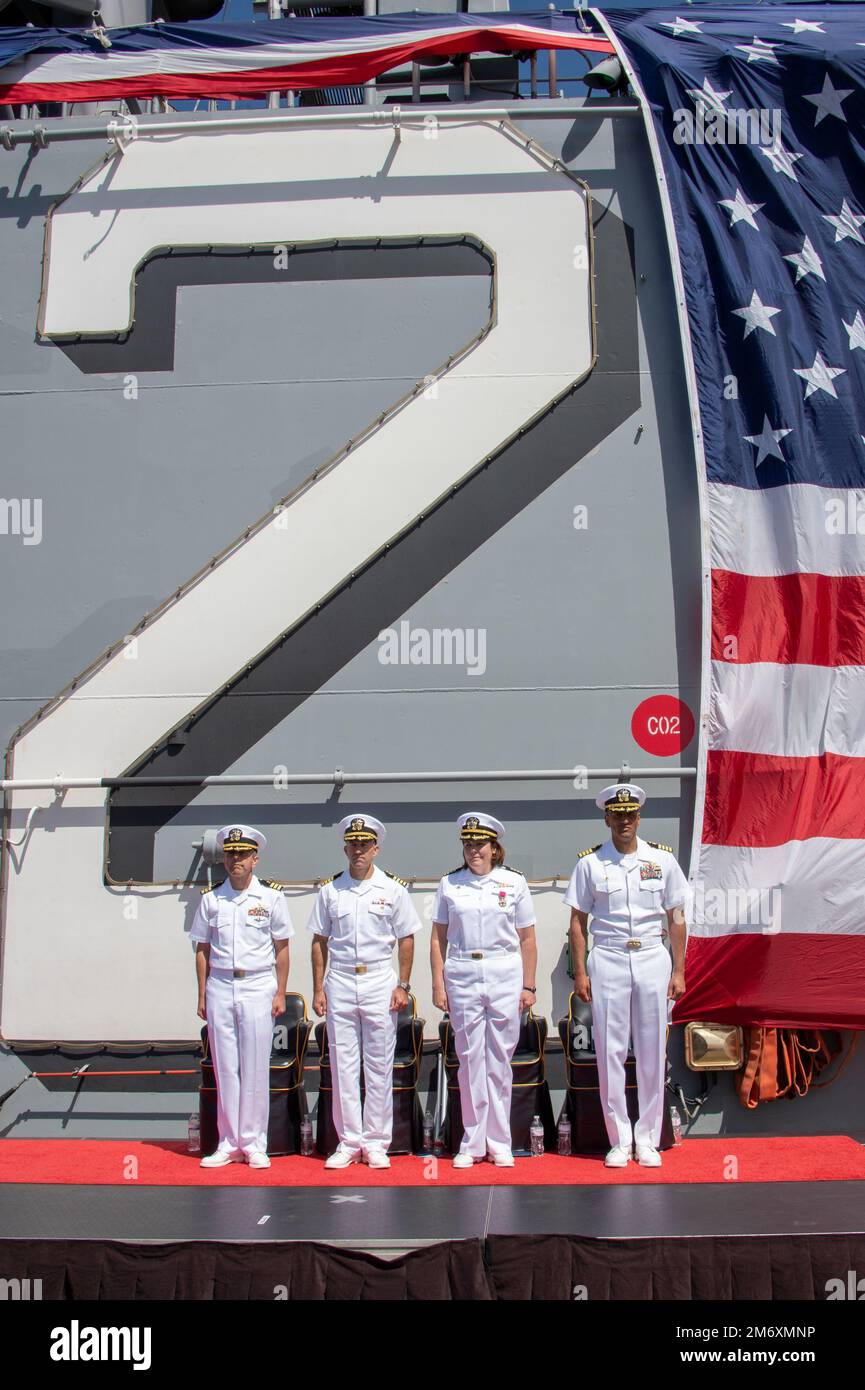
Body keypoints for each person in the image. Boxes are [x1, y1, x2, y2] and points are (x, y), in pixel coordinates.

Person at [564, 784, 688, 1168]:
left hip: (653, 956)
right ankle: (619, 1139)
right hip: (610, 958)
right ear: (606, 818)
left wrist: (680, 969)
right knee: (610, 1050)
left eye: (630, 814)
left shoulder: (662, 861)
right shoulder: (590, 864)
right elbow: (577, 923)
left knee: (653, 1051)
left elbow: (677, 918)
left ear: (639, 817)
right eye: (617, 815)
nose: (624, 821)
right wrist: (580, 972)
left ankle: (647, 1138)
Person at [308, 814, 422, 1170]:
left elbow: (407, 937)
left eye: (365, 845)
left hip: (378, 980)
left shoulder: (392, 889)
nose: (358, 850)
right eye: (353, 844)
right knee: (342, 1065)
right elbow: (318, 942)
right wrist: (318, 989)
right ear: (345, 848)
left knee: (378, 1064)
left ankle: (375, 1142)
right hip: (340, 980)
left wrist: (403, 985)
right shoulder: (330, 891)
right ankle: (348, 1141)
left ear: (376, 848)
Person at [431, 812, 537, 1168]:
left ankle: (500, 1141)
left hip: (504, 970)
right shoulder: (450, 884)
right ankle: (472, 1141)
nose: (473, 850)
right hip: (462, 971)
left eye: (480, 844)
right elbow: (438, 938)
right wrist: (438, 982)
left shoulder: (514, 882)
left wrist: (529, 985)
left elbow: (527, 939)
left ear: (495, 848)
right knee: (469, 1058)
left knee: (499, 1059)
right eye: (468, 843)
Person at [191, 825, 292, 1169]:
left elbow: (282, 948)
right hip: (220, 984)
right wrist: (202, 992)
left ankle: (254, 1143)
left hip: (258, 984)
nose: (236, 859)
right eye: (231, 853)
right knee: (225, 1067)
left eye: (243, 854)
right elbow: (202, 949)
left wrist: (280, 991)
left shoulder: (271, 898)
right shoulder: (211, 899)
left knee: (254, 1066)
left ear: (255, 858)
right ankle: (228, 1142)